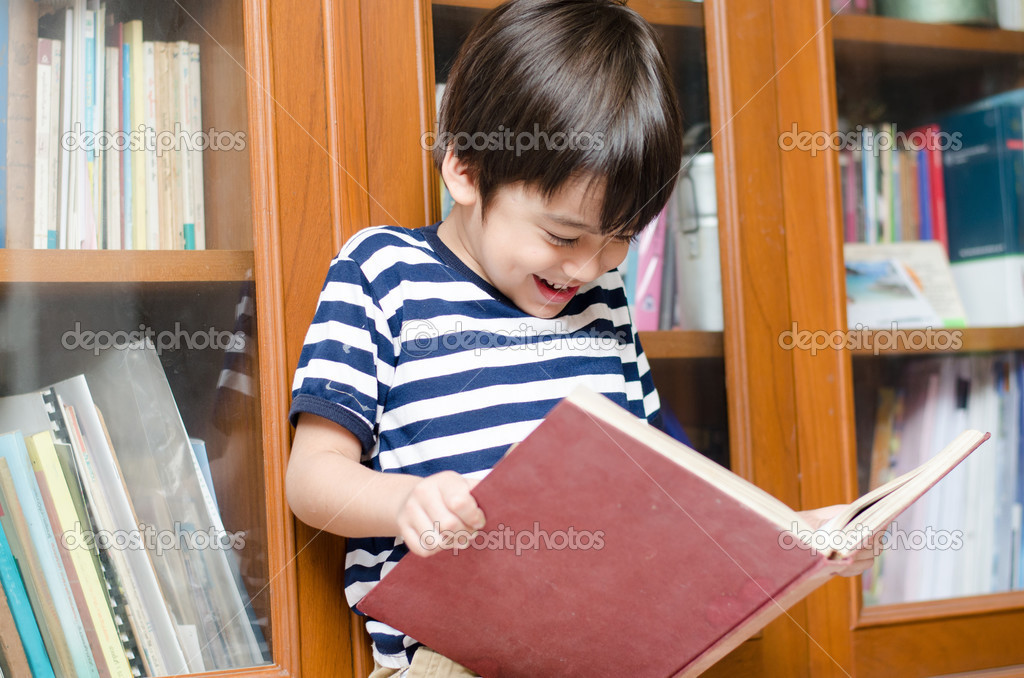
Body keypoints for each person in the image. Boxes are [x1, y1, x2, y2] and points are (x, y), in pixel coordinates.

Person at [285, 1, 872, 676]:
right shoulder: (384, 274)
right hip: (457, 658)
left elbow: (667, 489)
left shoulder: (601, 301)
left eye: (620, 239)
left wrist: (795, 537)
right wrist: (403, 502)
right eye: (563, 237)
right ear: (466, 169)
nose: (588, 268)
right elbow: (311, 478)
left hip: (600, 647)